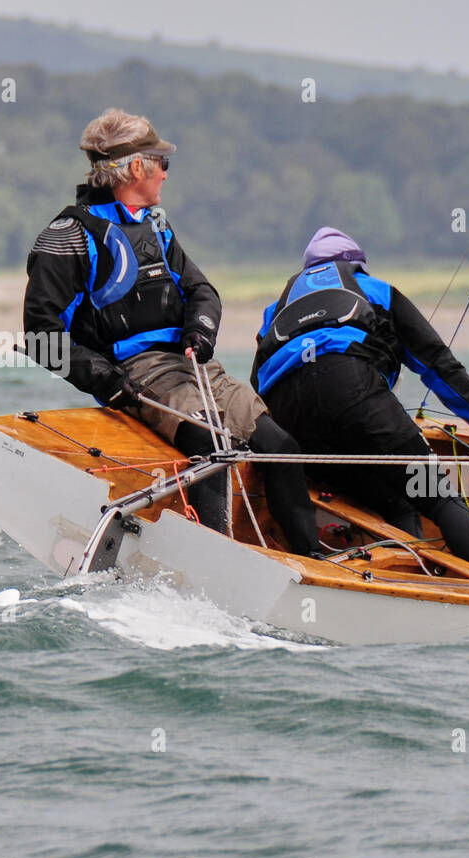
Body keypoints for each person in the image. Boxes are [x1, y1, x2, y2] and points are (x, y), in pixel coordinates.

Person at [22, 108, 319, 555]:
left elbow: (201, 290)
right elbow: (41, 337)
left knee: (280, 445)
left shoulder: (157, 226)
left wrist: (199, 333)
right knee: (213, 451)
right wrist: (108, 382)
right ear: (136, 167)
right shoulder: (67, 235)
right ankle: (213, 563)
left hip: (194, 366)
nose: (166, 174)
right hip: (137, 374)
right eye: (162, 163)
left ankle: (308, 561)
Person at [253, 227, 469, 579]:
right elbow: (440, 367)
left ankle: (412, 580)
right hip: (353, 392)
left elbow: (258, 381)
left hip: (290, 417)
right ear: (358, 266)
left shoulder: (275, 310)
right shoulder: (376, 291)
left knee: (396, 501)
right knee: (435, 493)